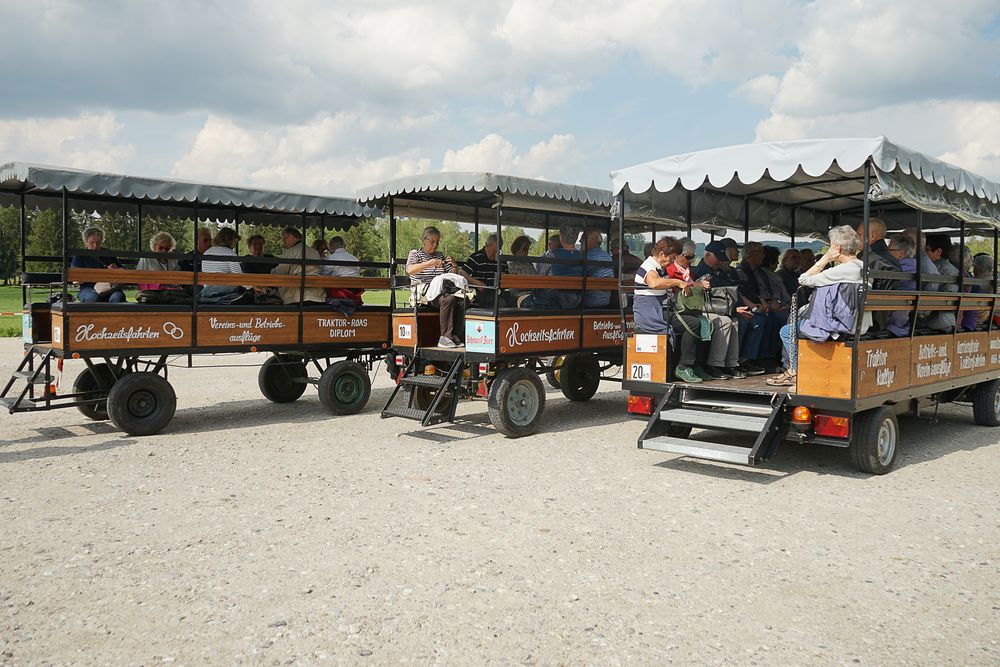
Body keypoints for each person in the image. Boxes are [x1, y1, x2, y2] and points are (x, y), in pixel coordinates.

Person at [769, 226, 869, 386]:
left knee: (787, 331)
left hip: (838, 326)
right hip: (859, 324)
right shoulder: (864, 268)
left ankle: (795, 370)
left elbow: (803, 279)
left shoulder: (839, 271)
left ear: (837, 247)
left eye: (831, 245)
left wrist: (825, 259)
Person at [667, 239, 742, 380]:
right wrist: (697, 285)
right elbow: (677, 290)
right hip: (680, 309)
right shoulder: (671, 271)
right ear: (677, 255)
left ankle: (722, 363)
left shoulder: (689, 271)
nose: (690, 260)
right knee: (702, 323)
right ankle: (693, 364)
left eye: (692, 257)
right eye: (688, 257)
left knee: (714, 322)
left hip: (694, 308)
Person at [633, 236, 704, 383]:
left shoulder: (659, 267)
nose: (671, 262)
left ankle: (691, 365)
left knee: (698, 322)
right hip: (651, 314)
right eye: (670, 259)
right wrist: (679, 282)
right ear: (661, 255)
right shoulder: (648, 267)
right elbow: (653, 283)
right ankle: (683, 366)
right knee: (693, 324)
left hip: (662, 310)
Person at [407, 226, 464, 348]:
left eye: (437, 242)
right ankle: (444, 337)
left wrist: (454, 265)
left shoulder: (440, 255)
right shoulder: (415, 254)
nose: (435, 245)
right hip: (424, 294)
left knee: (463, 300)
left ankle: (456, 335)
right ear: (424, 240)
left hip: (442, 291)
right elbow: (410, 270)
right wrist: (431, 262)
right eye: (432, 241)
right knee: (448, 300)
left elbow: (452, 275)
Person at [735, 241, 784, 374]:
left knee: (773, 320)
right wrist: (759, 303)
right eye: (760, 252)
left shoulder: (759, 272)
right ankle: (748, 358)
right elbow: (743, 291)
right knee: (759, 321)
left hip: (761, 305)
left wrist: (772, 301)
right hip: (745, 307)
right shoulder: (741, 271)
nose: (763, 256)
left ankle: (765, 356)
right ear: (750, 254)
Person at [272, 227, 327, 305]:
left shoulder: (290, 252)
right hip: (318, 296)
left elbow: (280, 272)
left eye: (284, 238)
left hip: (296, 297)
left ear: (291, 236)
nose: (283, 242)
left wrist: (272, 271)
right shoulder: (315, 252)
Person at [72, 227, 125, 303]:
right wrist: (97, 275)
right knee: (93, 297)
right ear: (85, 242)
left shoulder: (108, 253)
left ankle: (113, 315)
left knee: (118, 297)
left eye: (98, 242)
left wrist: (115, 269)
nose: (95, 245)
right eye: (92, 242)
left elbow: (122, 272)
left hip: (109, 288)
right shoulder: (80, 255)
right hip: (88, 288)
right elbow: (75, 280)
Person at [199, 227, 251, 303]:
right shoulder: (230, 253)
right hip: (226, 292)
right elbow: (239, 277)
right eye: (235, 241)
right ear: (229, 240)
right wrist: (253, 286)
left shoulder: (206, 253)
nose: (235, 245)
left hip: (208, 292)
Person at [885, 233, 917, 337]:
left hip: (896, 323)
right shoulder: (915, 266)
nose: (886, 253)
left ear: (901, 253)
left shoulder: (899, 270)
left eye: (889, 251)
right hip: (907, 322)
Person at [460, 233, 504, 307]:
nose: (498, 250)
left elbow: (505, 276)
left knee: (511, 300)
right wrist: (476, 283)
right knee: (501, 303)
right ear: (488, 245)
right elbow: (462, 273)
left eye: (500, 248)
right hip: (479, 294)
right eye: (496, 248)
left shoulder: (501, 261)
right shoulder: (476, 257)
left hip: (497, 293)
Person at [582, 230, 613, 308]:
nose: (580, 241)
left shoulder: (588, 256)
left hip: (590, 301)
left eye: (583, 238)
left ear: (592, 240)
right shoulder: (607, 256)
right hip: (606, 300)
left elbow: (578, 273)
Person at [505, 235, 538, 307]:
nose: (527, 252)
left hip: (534, 293)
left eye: (528, 249)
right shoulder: (511, 264)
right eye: (525, 249)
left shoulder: (529, 264)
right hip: (519, 295)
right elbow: (517, 285)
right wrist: (534, 285)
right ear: (517, 248)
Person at [973, 253, 995, 328]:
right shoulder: (996, 283)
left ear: (976, 268)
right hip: (993, 319)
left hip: (978, 320)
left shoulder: (971, 283)